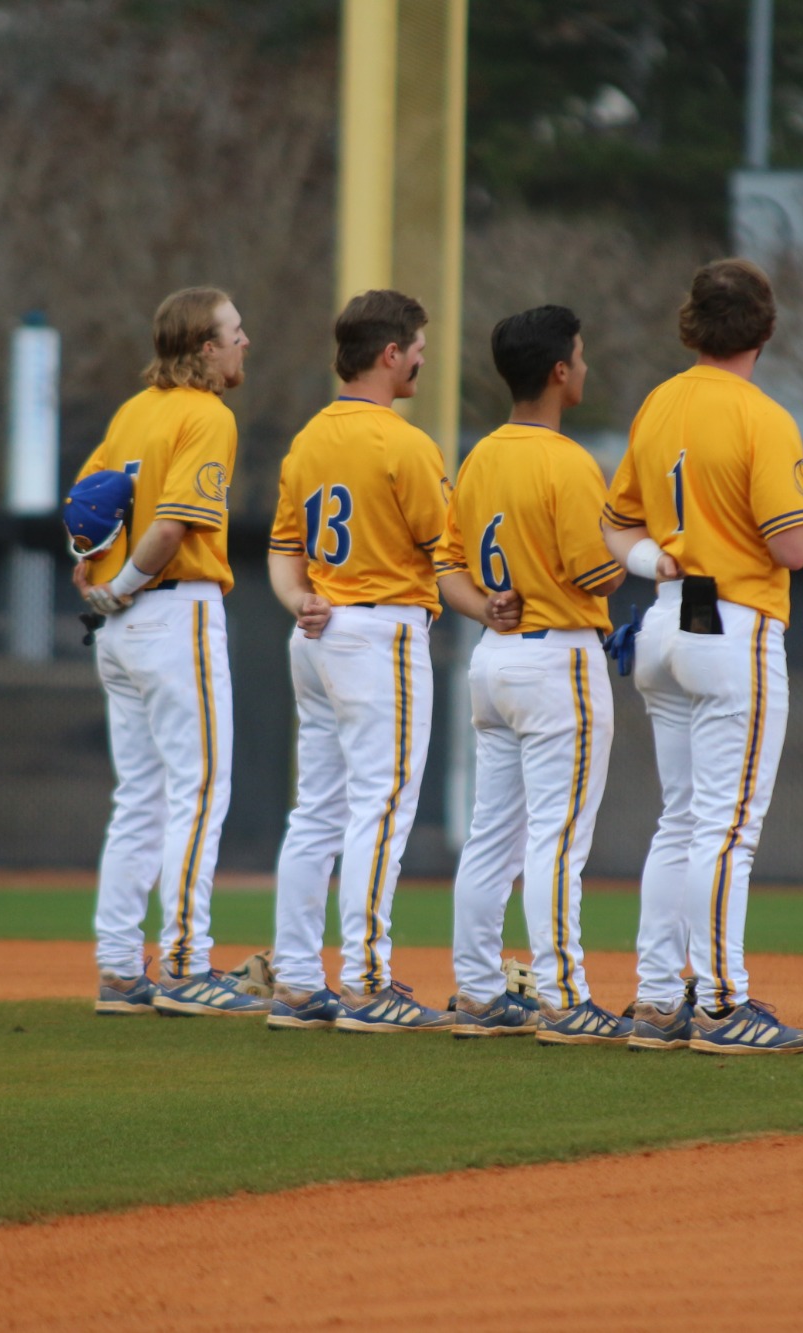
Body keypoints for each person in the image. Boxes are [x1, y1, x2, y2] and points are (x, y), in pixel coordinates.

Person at [600, 259, 803, 1055]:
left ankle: (660, 1001)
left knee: (681, 822)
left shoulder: (659, 402)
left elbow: (615, 524)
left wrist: (650, 561)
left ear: (691, 322)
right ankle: (724, 1007)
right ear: (764, 330)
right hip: (732, 626)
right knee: (727, 830)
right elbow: (794, 544)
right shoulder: (763, 417)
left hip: (666, 617)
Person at [435, 305, 632, 1046]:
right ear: (558, 371)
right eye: (578, 355)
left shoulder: (483, 453)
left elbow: (447, 563)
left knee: (492, 836)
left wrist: (485, 604)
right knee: (557, 839)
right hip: (558, 660)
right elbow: (600, 573)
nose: (584, 365)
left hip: (494, 656)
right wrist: (652, 541)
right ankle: (564, 997)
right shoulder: (568, 461)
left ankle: (482, 992)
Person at [265, 290, 459, 1034]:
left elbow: (285, 549)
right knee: (382, 804)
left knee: (317, 810)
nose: (418, 358)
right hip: (379, 635)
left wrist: (298, 601)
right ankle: (369, 981)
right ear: (389, 354)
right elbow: (447, 548)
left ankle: (296, 980)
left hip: (317, 634)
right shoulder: (403, 444)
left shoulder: (310, 438)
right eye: (414, 347)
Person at [74, 286, 266, 1018]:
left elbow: (84, 503)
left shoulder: (133, 411)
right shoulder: (206, 414)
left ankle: (121, 969)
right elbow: (170, 529)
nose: (245, 341)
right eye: (234, 331)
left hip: (121, 632)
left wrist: (89, 565)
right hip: (170, 612)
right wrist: (119, 583)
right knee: (198, 791)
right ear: (205, 347)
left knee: (140, 799)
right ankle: (186, 964)